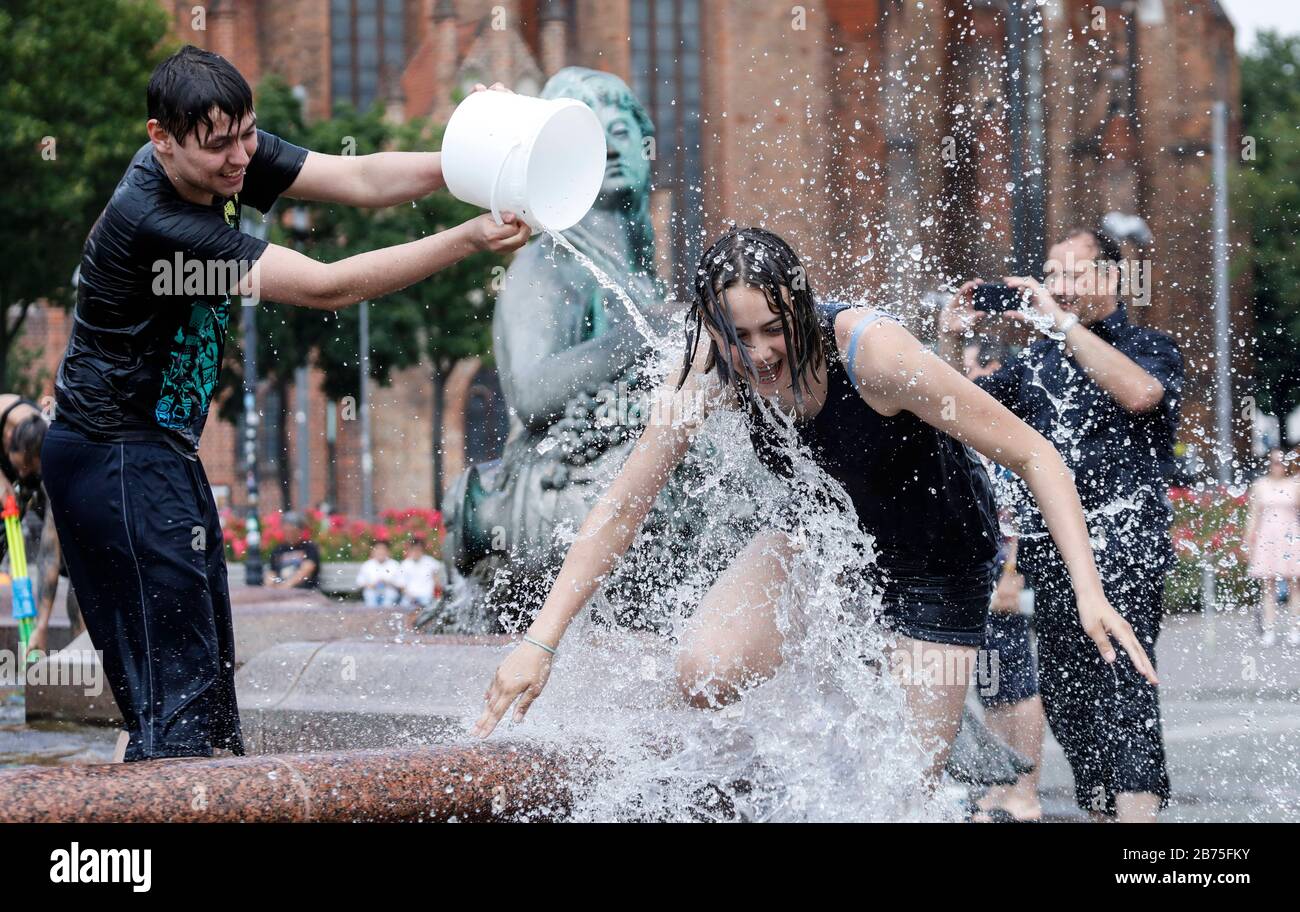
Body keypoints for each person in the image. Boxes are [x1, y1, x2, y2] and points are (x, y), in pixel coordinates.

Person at [473, 227, 1156, 799]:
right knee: (705, 671)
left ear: (801, 307)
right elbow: (624, 505)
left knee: (897, 797)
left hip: (937, 562)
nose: (759, 352)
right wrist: (541, 641)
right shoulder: (705, 368)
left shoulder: (874, 353)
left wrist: (1089, 593)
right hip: (825, 538)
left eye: (775, 329)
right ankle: (852, 699)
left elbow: (1036, 454)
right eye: (739, 334)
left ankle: (931, 719)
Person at [39, 45, 530, 762]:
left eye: (247, 135)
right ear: (161, 138)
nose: (241, 158)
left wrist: (475, 157)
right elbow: (327, 286)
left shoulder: (222, 148)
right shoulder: (156, 219)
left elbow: (359, 176)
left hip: (155, 452)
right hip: (113, 459)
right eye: (220, 146)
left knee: (200, 705)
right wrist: (468, 237)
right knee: (179, 711)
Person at [939, 225, 1183, 822]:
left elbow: (1141, 394)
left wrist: (1063, 323)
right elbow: (956, 412)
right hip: (1054, 553)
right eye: (1050, 274)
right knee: (1070, 699)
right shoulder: (1033, 364)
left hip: (1126, 542)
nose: (1058, 285)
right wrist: (948, 342)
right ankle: (1101, 813)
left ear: (1113, 278)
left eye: (1072, 273)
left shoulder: (1148, 346)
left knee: (1124, 683)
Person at [962, 342, 1046, 823]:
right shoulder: (976, 425)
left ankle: (1026, 790)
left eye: (973, 368)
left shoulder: (1006, 428)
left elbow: (1017, 509)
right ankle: (1000, 782)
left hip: (1003, 573)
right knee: (992, 683)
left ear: (995, 368)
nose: (968, 377)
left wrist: (1012, 576)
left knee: (1019, 684)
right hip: (978, 574)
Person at [0, 394, 84, 657]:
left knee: (79, 570)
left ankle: (83, 656)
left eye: (27, 472)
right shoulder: (9, 413)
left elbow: (49, 552)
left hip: (85, 507)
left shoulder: (54, 470)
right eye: (18, 469)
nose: (21, 476)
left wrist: (42, 625)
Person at [1243, 448, 1300, 646]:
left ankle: (1295, 628)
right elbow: (1253, 515)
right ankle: (1269, 628)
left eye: (1282, 462)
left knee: (1295, 585)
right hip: (1267, 538)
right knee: (1268, 586)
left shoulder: (1295, 484)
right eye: (1275, 462)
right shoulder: (1260, 485)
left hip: (1291, 537)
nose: (1279, 466)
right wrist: (1248, 541)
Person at [267, 512, 321, 590]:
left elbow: (306, 571)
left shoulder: (309, 547)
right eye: (286, 531)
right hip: (282, 591)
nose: (289, 534)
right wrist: (270, 586)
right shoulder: (278, 549)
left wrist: (286, 586)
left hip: (304, 591)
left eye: (292, 531)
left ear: (300, 530)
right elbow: (272, 573)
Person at [398, 536, 443, 610]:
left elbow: (437, 580)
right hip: (409, 597)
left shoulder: (431, 562)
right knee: (402, 607)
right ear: (410, 550)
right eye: (414, 550)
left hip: (426, 596)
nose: (416, 552)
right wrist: (410, 595)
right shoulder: (405, 564)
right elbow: (402, 586)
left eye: (418, 550)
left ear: (422, 550)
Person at [356, 541, 403, 608]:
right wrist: (372, 585)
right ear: (372, 552)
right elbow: (360, 582)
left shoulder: (394, 565)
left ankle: (386, 612)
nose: (380, 552)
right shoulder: (367, 565)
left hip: (389, 592)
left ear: (388, 552)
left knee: (389, 599)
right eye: (378, 549)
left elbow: (401, 584)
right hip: (372, 592)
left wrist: (388, 583)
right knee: (370, 597)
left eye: (383, 549)